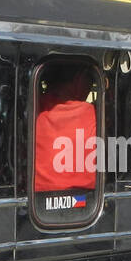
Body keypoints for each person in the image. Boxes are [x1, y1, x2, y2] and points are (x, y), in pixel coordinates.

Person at [34, 63, 97, 193]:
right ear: (79, 79)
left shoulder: (33, 107)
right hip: (86, 200)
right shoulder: (90, 112)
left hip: (37, 197)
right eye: (91, 80)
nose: (90, 88)